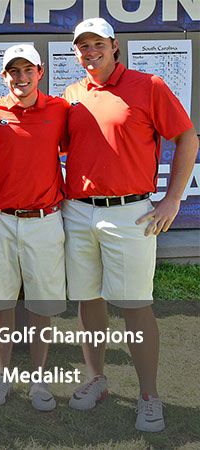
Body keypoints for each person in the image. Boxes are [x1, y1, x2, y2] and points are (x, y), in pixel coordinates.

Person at [63, 18, 198, 432]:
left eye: (97, 44)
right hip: (78, 210)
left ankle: (148, 396)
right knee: (88, 300)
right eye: (82, 46)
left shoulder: (148, 85)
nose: (90, 52)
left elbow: (187, 137)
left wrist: (173, 199)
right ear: (76, 51)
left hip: (130, 212)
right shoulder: (71, 94)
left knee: (136, 304)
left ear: (114, 45)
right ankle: (96, 379)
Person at [0, 44, 69, 411]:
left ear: (40, 72)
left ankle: (40, 380)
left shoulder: (59, 110)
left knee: (41, 305)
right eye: (14, 71)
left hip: (45, 221)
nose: (21, 77)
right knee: (1, 302)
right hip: (0, 219)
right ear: (4, 76)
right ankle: (1, 378)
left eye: (27, 70)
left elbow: (71, 148)